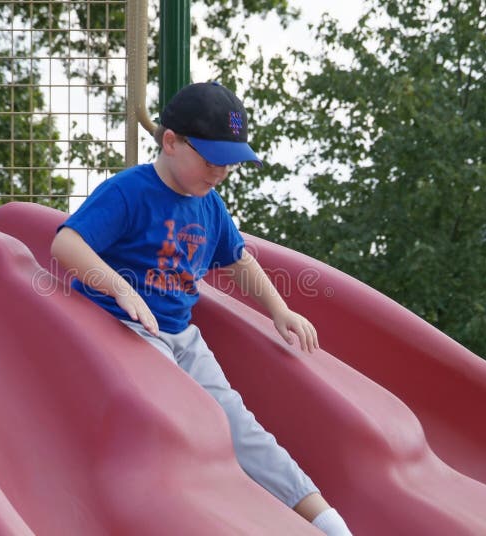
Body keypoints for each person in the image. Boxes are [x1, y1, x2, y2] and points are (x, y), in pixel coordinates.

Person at [51, 81, 352, 535]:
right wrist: (120, 289)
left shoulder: (210, 207)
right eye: (211, 160)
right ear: (170, 141)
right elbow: (66, 242)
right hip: (122, 330)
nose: (219, 173)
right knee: (176, 414)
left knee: (238, 423)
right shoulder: (130, 191)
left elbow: (238, 260)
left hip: (182, 336)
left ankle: (326, 521)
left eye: (229, 165)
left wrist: (279, 309)